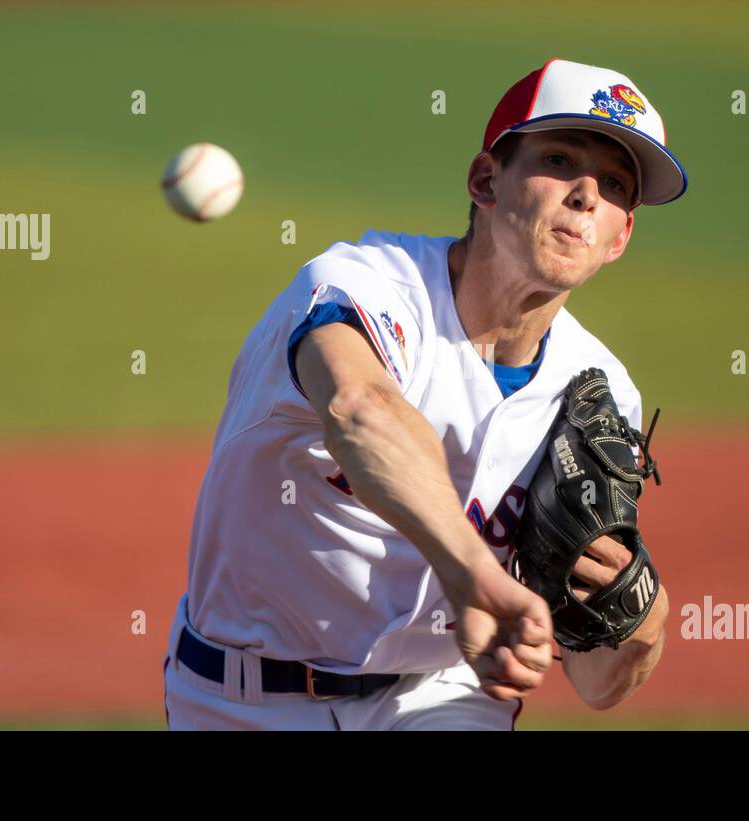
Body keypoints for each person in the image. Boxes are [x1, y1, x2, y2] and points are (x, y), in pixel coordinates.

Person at [163, 57, 687, 730]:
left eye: (615, 184)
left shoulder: (604, 391)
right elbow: (361, 409)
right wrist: (474, 570)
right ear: (485, 180)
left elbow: (595, 680)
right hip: (242, 699)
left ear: (620, 237)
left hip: (440, 698)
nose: (586, 193)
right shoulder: (358, 287)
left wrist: (638, 615)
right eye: (559, 159)